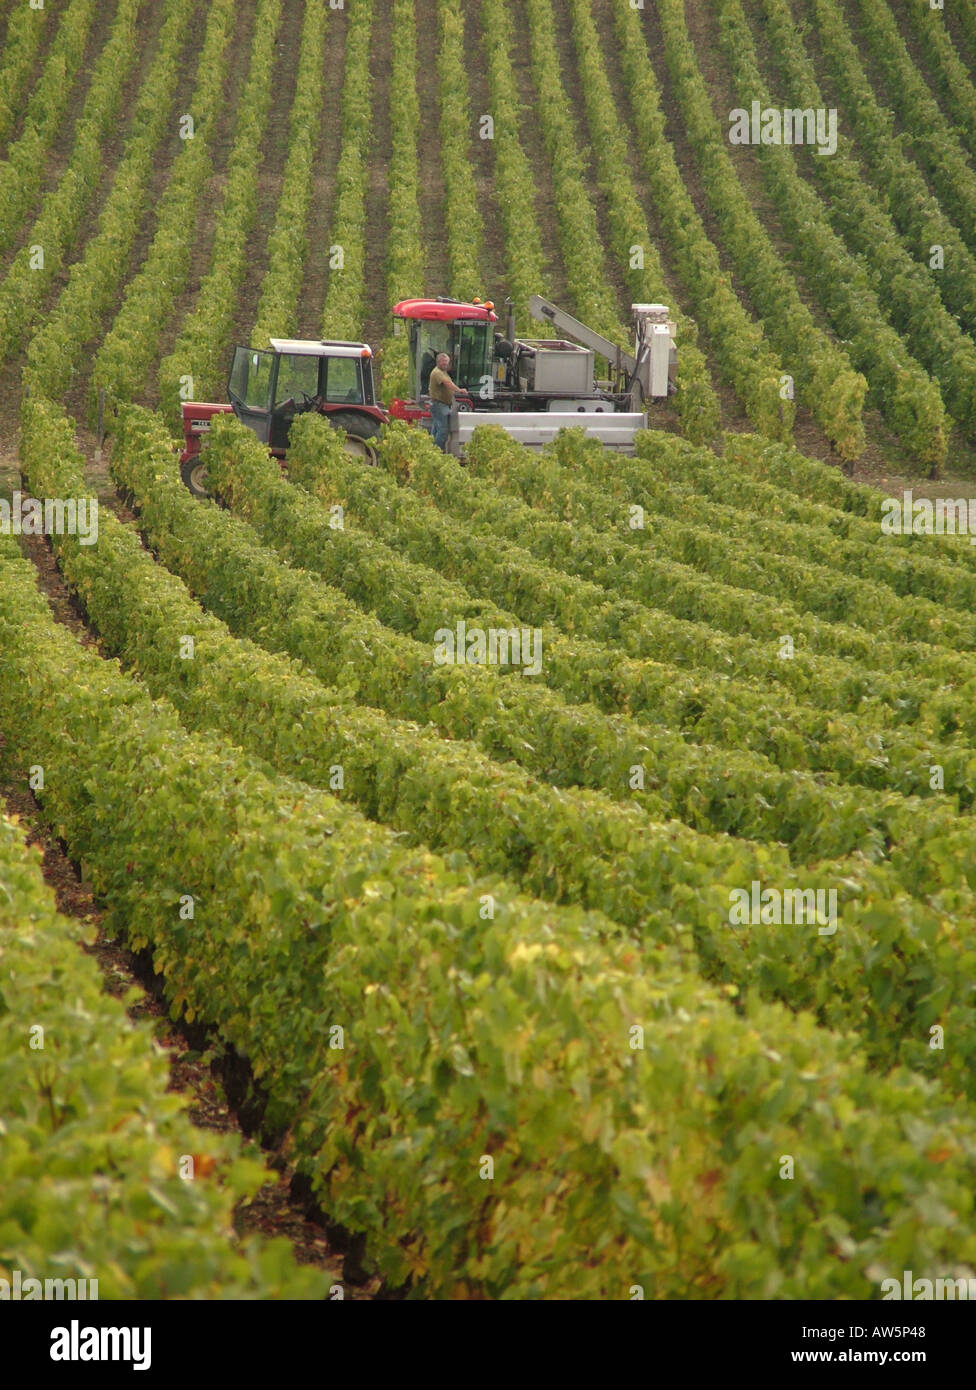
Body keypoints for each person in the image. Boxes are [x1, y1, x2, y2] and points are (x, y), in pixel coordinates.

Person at [427, 352, 463, 451]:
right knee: (443, 430)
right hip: (439, 405)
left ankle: (430, 450)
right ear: (438, 362)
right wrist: (459, 390)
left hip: (442, 405)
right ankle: (437, 452)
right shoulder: (437, 372)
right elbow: (447, 383)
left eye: (447, 362)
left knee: (435, 430)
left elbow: (450, 382)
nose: (445, 364)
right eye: (443, 362)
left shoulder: (443, 372)